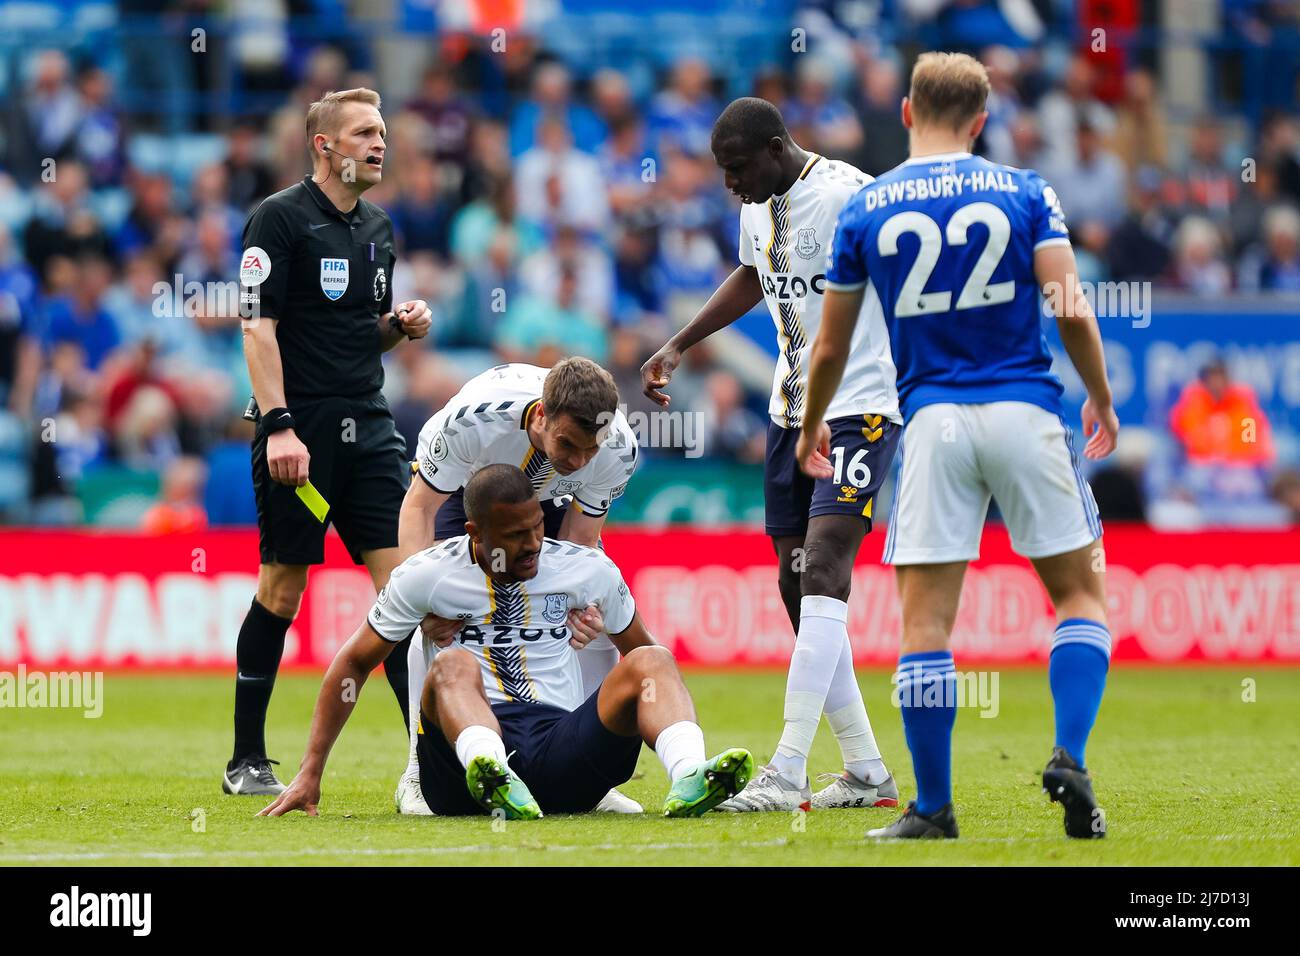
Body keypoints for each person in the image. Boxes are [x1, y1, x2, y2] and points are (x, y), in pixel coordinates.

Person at [802, 52, 1118, 840]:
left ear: (907, 113)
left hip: (933, 420)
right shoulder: (1024, 190)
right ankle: (1070, 757)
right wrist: (1102, 399)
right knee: (1079, 598)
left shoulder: (866, 208)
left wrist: (812, 421)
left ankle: (934, 809)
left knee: (925, 628)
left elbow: (831, 347)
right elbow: (1071, 307)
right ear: (982, 121)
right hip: (1027, 410)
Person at [641, 97, 901, 813]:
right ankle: (867, 770)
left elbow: (905, 280)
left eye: (736, 168)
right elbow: (754, 276)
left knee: (822, 568)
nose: (730, 184)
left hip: (860, 408)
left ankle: (786, 771)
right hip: (789, 414)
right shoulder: (757, 203)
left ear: (777, 147)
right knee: (798, 585)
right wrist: (681, 342)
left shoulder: (849, 196)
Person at [260, 464, 753, 819]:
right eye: (516, 534)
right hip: (457, 771)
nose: (534, 543)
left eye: (537, 526)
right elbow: (351, 665)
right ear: (476, 531)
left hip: (561, 749)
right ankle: (490, 772)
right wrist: (310, 772)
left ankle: (690, 775)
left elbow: (644, 666)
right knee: (453, 665)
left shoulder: (586, 570)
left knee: (653, 657)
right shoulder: (427, 575)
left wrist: (604, 639)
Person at [224, 88, 432, 797]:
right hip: (299, 428)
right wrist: (278, 423)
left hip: (370, 428)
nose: (381, 143)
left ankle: (424, 759)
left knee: (405, 590)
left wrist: (396, 326)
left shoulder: (378, 227)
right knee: (283, 588)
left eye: (383, 132)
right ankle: (246, 760)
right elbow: (257, 327)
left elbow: (359, 330)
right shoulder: (276, 220)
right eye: (366, 133)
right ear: (326, 146)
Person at [392, 358, 641, 815]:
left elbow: (581, 545)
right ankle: (416, 771)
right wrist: (421, 600)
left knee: (594, 624)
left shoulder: (618, 448)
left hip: (548, 503)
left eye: (591, 449)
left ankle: (583, 766)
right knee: (438, 622)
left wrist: (575, 610)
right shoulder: (472, 423)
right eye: (569, 444)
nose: (579, 460)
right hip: (472, 490)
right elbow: (420, 508)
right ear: (542, 416)